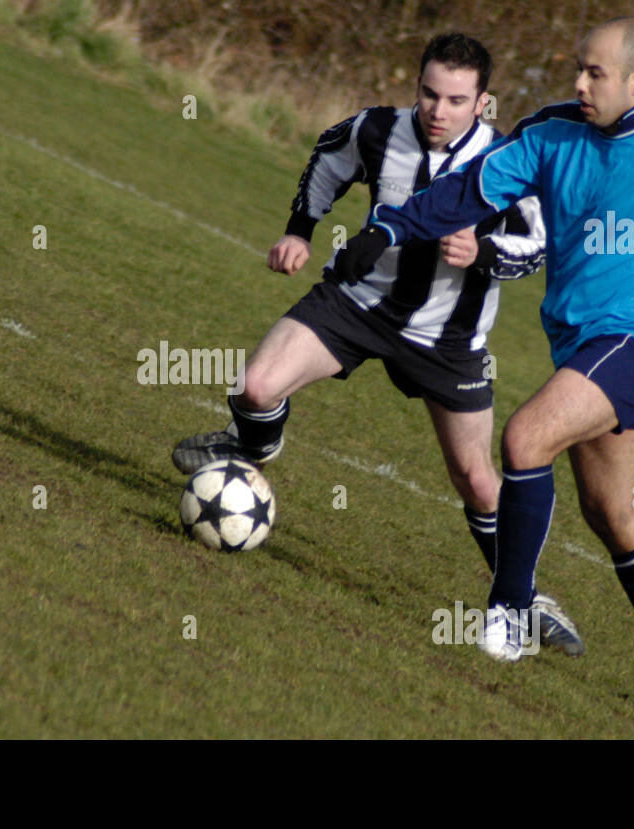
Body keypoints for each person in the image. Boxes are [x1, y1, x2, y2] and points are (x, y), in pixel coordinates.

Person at [333, 17, 634, 714]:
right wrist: (389, 226)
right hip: (580, 340)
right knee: (612, 510)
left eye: (594, 73)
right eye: (578, 69)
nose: (578, 83)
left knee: (524, 438)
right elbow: (470, 192)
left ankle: (506, 612)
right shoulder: (552, 131)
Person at [172, 32, 585, 656]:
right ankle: (256, 442)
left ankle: (524, 598)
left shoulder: (507, 161)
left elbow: (539, 243)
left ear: (482, 103)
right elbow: (328, 159)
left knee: (477, 480)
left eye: (455, 99)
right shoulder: (377, 130)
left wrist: (485, 252)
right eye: (428, 93)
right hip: (355, 304)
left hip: (448, 338)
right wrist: (300, 231)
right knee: (255, 386)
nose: (438, 110)